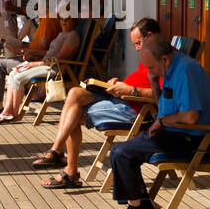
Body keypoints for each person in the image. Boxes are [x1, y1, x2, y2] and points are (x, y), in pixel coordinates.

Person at [106, 34, 210, 209]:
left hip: (194, 139)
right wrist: (153, 80)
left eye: (150, 67)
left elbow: (191, 117)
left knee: (121, 152)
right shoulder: (169, 69)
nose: (149, 71)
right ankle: (137, 208)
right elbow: (163, 106)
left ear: (164, 59)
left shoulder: (184, 72)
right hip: (175, 131)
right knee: (122, 151)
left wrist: (165, 121)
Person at [35, 17, 161, 188]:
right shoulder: (150, 53)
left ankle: (67, 168)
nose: (137, 48)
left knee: (74, 112)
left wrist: (129, 90)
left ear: (150, 36)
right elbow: (143, 80)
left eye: (138, 43)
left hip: (135, 108)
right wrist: (120, 83)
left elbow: (160, 95)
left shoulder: (165, 59)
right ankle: (57, 151)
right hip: (123, 97)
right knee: (75, 93)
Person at [0, 16, 79, 123]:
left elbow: (59, 58)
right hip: (45, 65)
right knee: (14, 73)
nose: (64, 21)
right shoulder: (62, 34)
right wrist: (31, 51)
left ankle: (13, 113)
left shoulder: (72, 36)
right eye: (62, 19)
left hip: (54, 68)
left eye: (67, 19)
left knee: (18, 78)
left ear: (74, 20)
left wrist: (36, 64)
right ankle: (7, 111)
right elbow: (48, 53)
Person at [0, 13, 52, 113]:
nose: (35, 10)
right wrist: (23, 48)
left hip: (36, 62)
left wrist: (27, 50)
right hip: (32, 58)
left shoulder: (47, 21)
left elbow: (44, 48)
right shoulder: (43, 21)